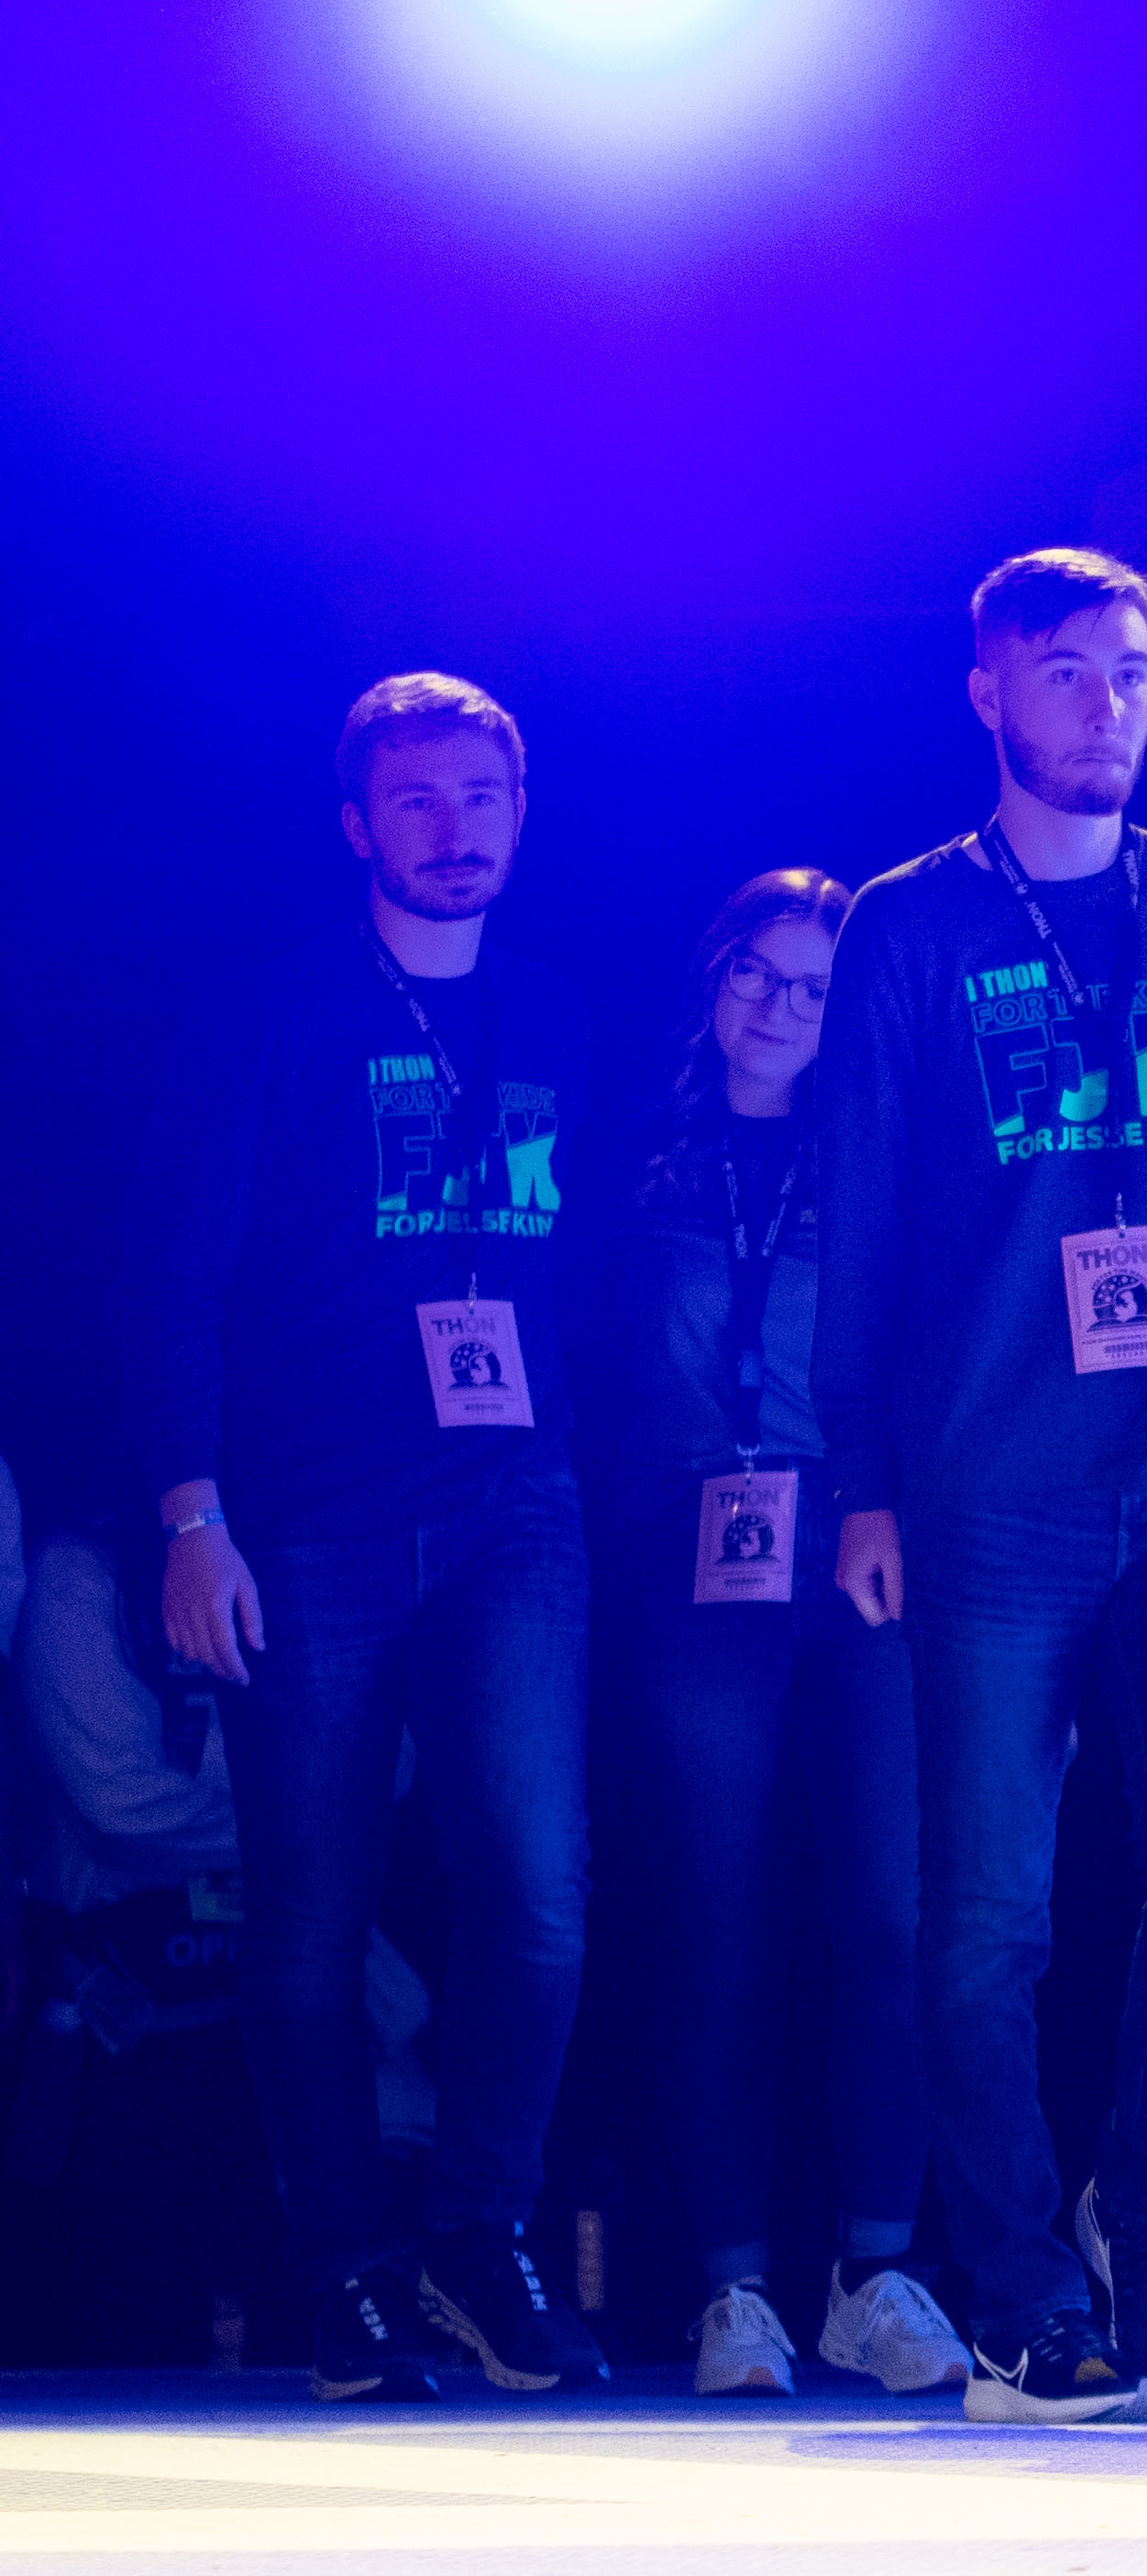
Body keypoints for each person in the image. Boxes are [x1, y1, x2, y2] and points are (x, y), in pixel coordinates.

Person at [817, 550, 1147, 2426]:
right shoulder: (907, 926)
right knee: (986, 1921)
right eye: (1068, 673)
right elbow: (859, 1218)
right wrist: (859, 1477)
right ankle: (1025, 2296)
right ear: (987, 695)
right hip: (982, 1479)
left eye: (1134, 671)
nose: (1108, 703)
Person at [123, 672, 608, 2400]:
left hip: (511, 1512)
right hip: (307, 1522)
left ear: (521, 809)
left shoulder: (552, 1012)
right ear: (357, 823)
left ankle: (480, 2232)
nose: (456, 827)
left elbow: (592, 1275)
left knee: (537, 1900)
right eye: (419, 799)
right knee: (311, 1920)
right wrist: (194, 1513)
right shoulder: (270, 1017)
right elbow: (169, 1282)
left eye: (483, 794)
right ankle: (350, 2271)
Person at [598, 869, 972, 2399]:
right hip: (693, 1553)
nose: (776, 1007)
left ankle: (875, 2271)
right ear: (712, 972)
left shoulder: (876, 1150)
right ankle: (731, 2288)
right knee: (719, 1925)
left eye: (813, 990)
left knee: (893, 1920)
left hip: (858, 1541)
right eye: (754, 972)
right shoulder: (636, 1150)